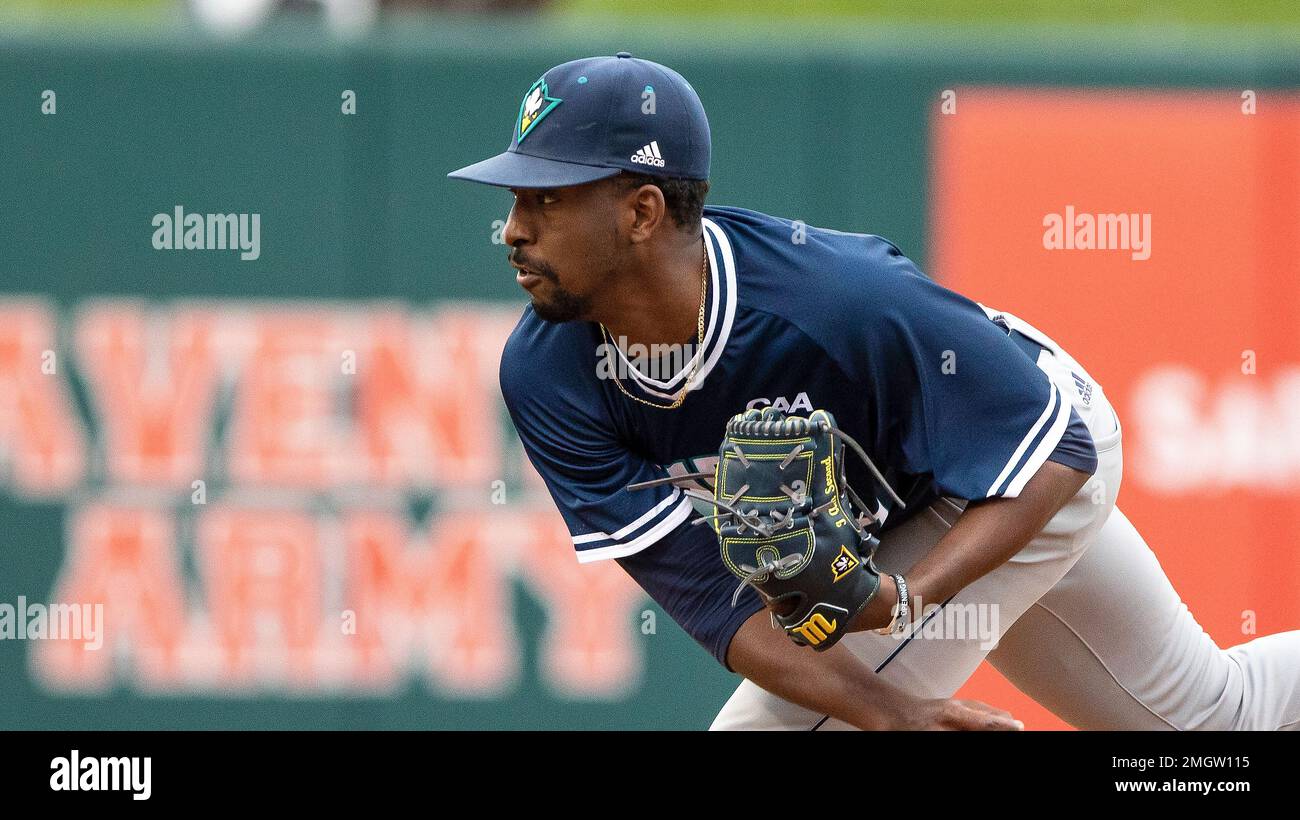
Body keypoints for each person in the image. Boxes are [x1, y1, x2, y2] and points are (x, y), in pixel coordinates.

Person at [448, 53, 1300, 731]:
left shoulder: (835, 300)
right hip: (907, 508)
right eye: (518, 199)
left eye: (546, 199)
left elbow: (1060, 452)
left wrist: (907, 603)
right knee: (1215, 722)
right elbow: (714, 603)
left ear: (639, 213)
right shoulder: (547, 374)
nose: (515, 229)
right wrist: (892, 711)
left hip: (1027, 463)